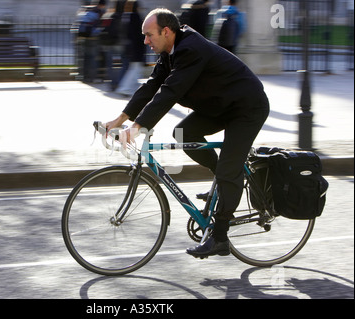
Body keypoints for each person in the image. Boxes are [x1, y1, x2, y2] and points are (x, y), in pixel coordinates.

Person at [105, 8, 269, 259]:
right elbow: (151, 86)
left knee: (228, 167)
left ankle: (220, 238)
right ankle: (224, 184)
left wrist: (137, 128)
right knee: (184, 132)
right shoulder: (170, 51)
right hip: (220, 105)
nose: (145, 41)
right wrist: (120, 119)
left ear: (166, 31)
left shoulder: (190, 49)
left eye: (149, 35)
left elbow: (170, 92)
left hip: (246, 108)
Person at [115, 0, 145, 96]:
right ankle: (125, 88)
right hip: (136, 47)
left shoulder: (125, 17)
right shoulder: (136, 17)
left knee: (134, 69)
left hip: (129, 47)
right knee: (135, 69)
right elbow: (139, 35)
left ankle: (130, 88)